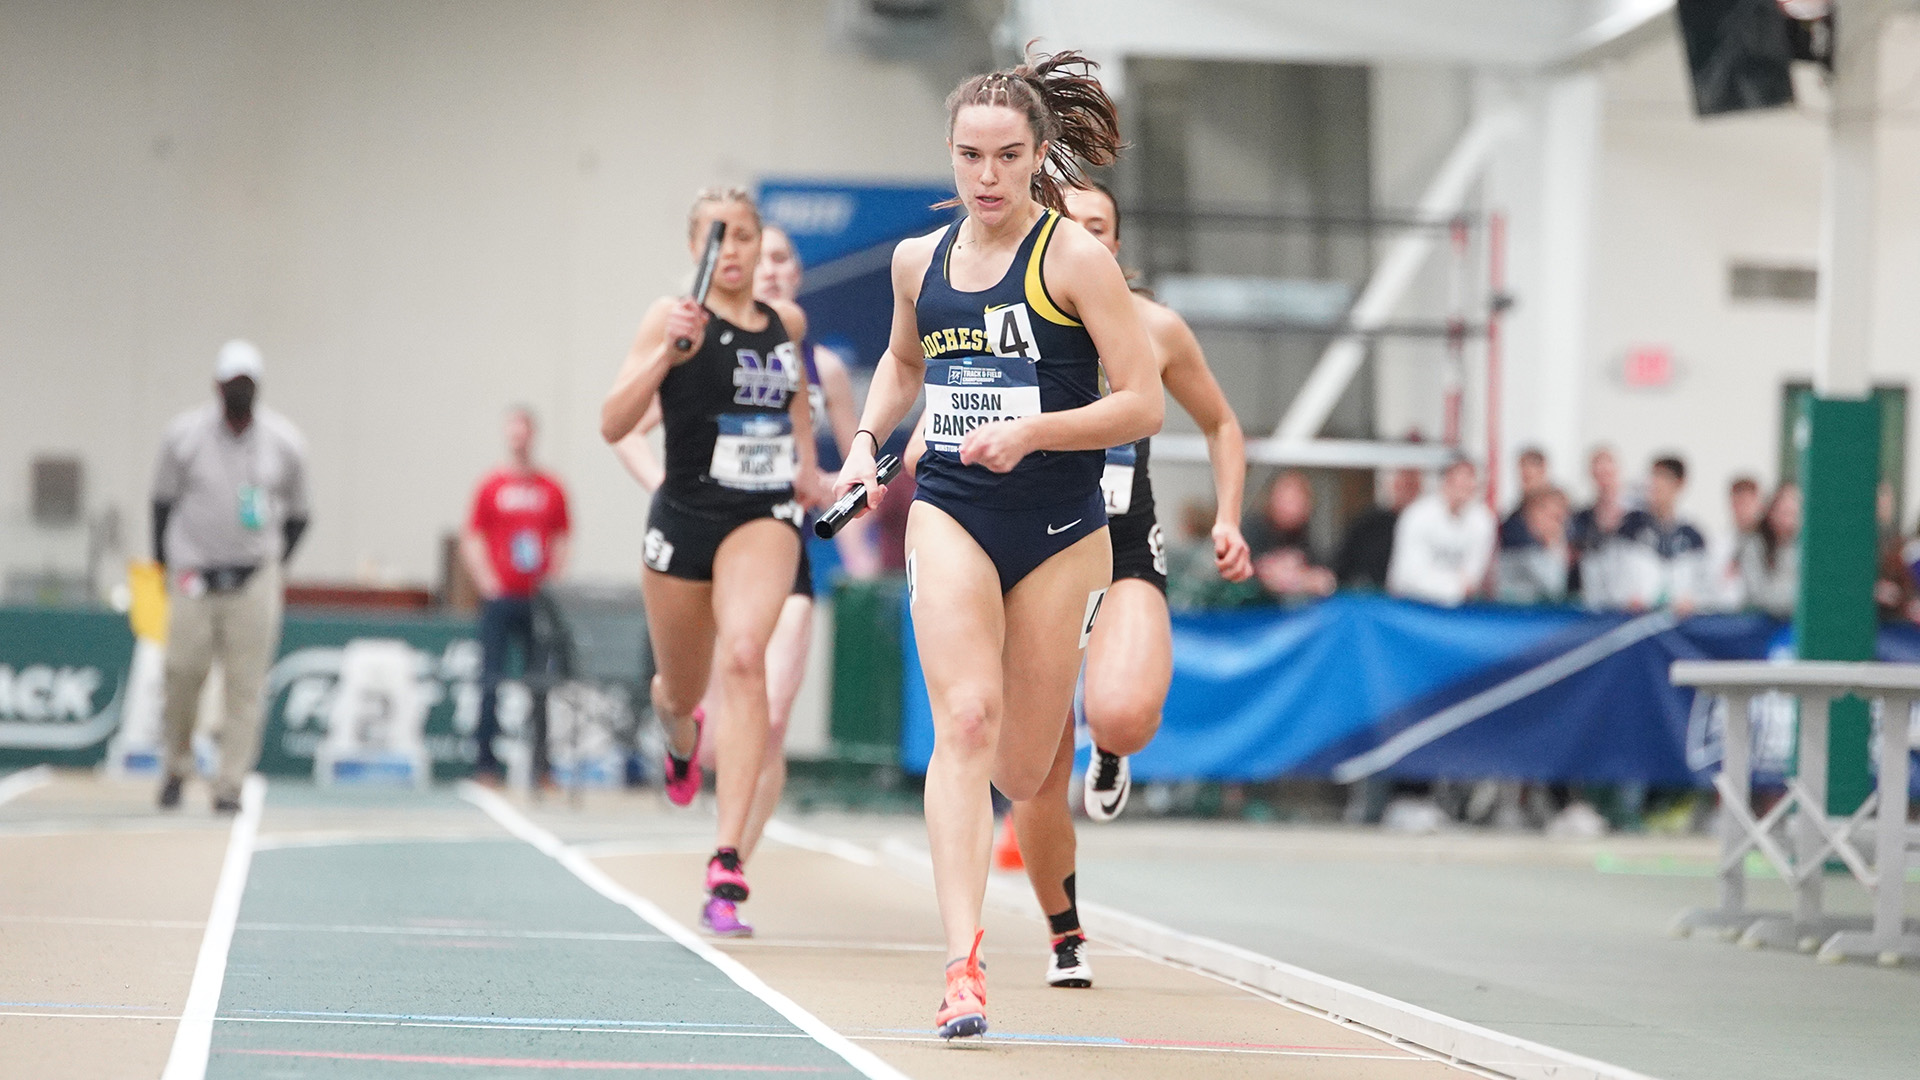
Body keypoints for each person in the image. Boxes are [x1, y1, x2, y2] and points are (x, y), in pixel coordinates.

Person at [832, 51, 1156, 1039]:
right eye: (970, 156)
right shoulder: (917, 263)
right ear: (950, 154)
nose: (987, 175)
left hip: (1060, 530)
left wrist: (1035, 431)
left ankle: (1071, 774)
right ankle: (962, 967)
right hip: (952, 509)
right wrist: (863, 445)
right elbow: (900, 365)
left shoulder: (1075, 261)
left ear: (1037, 155)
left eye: (1008, 156)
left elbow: (1141, 401)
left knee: (1022, 767)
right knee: (965, 722)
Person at [1000, 179, 1251, 991]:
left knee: (1122, 712)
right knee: (1036, 768)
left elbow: (1221, 423)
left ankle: (1110, 749)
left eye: (1098, 225)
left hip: (1121, 547)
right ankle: (1065, 932)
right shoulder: (1009, 316)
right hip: (1032, 550)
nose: (1083, 236)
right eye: (1066, 223)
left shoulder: (1154, 328)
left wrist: (1229, 517)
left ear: (1114, 245)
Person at [600, 187, 824, 939]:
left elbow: (796, 409)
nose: (732, 250)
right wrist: (668, 353)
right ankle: (679, 736)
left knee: (746, 655)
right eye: (716, 238)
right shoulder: (671, 318)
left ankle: (726, 856)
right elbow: (613, 423)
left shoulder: (786, 324)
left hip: (762, 516)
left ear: (761, 244)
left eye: (744, 236)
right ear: (696, 248)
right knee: (680, 689)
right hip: (684, 519)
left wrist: (814, 471)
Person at [151, 340, 309, 812]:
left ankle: (229, 783)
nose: (240, 391)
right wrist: (164, 563)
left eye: (247, 383)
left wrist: (275, 565)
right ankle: (176, 765)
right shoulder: (184, 436)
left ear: (257, 387)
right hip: (194, 574)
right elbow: (161, 502)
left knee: (246, 686)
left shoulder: (284, 442)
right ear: (217, 386)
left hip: (253, 577)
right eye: (232, 383)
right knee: (181, 674)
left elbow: (300, 514)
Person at [460, 406, 571, 786]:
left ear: (533, 435)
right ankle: (485, 764)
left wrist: (553, 581)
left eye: (525, 431)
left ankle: (542, 766)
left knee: (540, 683)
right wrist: (486, 580)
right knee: (490, 679)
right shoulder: (491, 486)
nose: (519, 438)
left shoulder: (551, 488)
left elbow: (562, 536)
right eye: (514, 431)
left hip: (537, 601)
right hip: (500, 599)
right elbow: (473, 536)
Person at [1386, 457, 1496, 607]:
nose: (1467, 485)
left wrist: (1453, 588)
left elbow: (1472, 579)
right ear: (1446, 481)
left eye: (1471, 479)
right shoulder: (1417, 516)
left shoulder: (1483, 520)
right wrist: (1453, 588)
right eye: (1461, 479)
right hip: (1411, 607)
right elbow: (1408, 576)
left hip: (1457, 611)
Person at [1616, 456, 1709, 615]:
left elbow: (1704, 585)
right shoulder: (1630, 528)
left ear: (1679, 484)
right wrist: (1626, 598)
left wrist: (1693, 601)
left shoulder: (1692, 536)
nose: (1656, 485)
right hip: (1637, 619)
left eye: (1663, 479)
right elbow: (1617, 578)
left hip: (1680, 622)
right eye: (1654, 478)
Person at [1246, 470, 1335, 599]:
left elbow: (1322, 577)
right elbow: (1254, 576)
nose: (1289, 507)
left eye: (1295, 501)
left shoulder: (1303, 535)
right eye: (1284, 500)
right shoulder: (1253, 529)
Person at [1333, 466, 1423, 590]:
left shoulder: (1428, 527)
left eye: (1411, 486)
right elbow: (1342, 565)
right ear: (1391, 486)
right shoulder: (1368, 524)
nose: (1406, 492)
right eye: (1402, 485)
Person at [1569, 446, 1630, 609]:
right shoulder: (1581, 518)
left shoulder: (1636, 517)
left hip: (1627, 600)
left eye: (1607, 473)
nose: (1604, 480)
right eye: (1598, 474)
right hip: (1593, 597)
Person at [1495, 487, 1571, 604]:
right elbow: (1553, 587)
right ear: (1531, 513)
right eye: (1552, 516)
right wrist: (1553, 544)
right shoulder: (1516, 542)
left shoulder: (1552, 544)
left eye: (1559, 518)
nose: (1556, 525)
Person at [1738, 482, 1800, 618]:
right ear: (1771, 512)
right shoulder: (1754, 545)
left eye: (1793, 513)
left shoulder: (1803, 548)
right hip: (1761, 620)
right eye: (1783, 512)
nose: (1788, 520)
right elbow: (1758, 593)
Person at [1497, 446, 1551, 551]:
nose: (1525, 484)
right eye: (1523, 477)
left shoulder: (1557, 511)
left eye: (1529, 478)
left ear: (1543, 471)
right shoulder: (1514, 517)